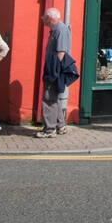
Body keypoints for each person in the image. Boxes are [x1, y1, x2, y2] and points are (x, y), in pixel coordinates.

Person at [36, 8, 72, 138]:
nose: (43, 19)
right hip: (53, 68)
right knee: (54, 98)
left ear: (50, 18)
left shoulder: (60, 29)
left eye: (44, 17)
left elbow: (61, 52)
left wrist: (54, 72)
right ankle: (60, 126)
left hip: (54, 69)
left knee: (48, 98)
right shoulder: (56, 29)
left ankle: (49, 129)